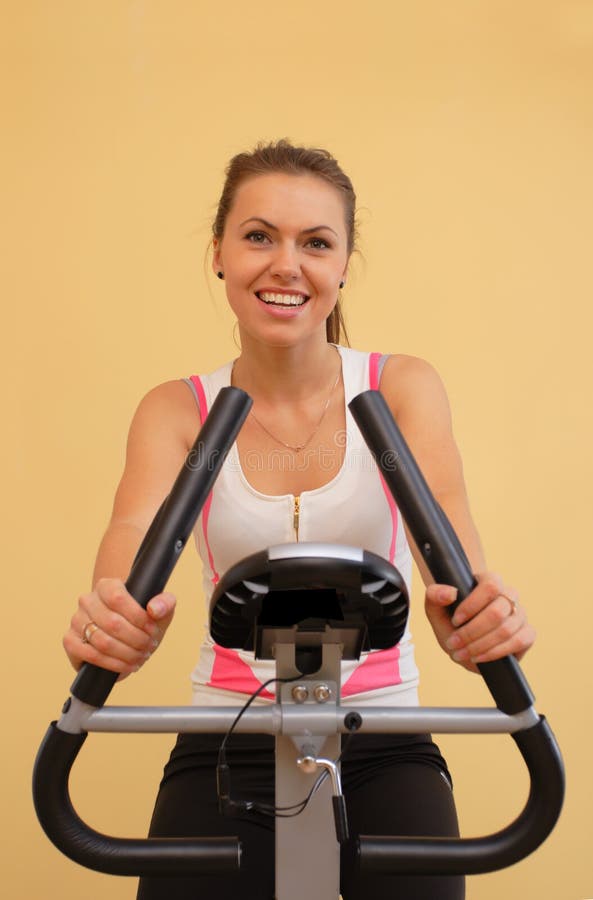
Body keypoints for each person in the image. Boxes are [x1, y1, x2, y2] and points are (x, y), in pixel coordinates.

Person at [63, 140, 535, 900]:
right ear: (218, 252)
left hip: (379, 732)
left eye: (315, 243)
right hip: (229, 733)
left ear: (344, 263)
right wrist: (111, 620)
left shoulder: (400, 387)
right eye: (259, 236)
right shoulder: (177, 409)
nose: (286, 265)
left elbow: (455, 553)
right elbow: (126, 555)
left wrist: (478, 618)